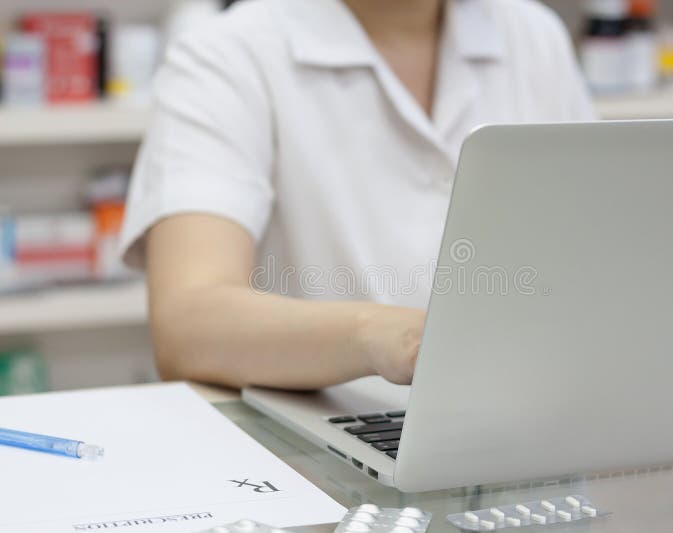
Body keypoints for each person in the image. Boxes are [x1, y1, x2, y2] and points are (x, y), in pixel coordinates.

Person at [120, 0, 595, 391]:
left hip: (524, 414)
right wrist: (390, 337)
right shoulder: (226, 53)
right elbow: (189, 325)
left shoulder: (533, 35)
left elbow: (595, 249)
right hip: (317, 436)